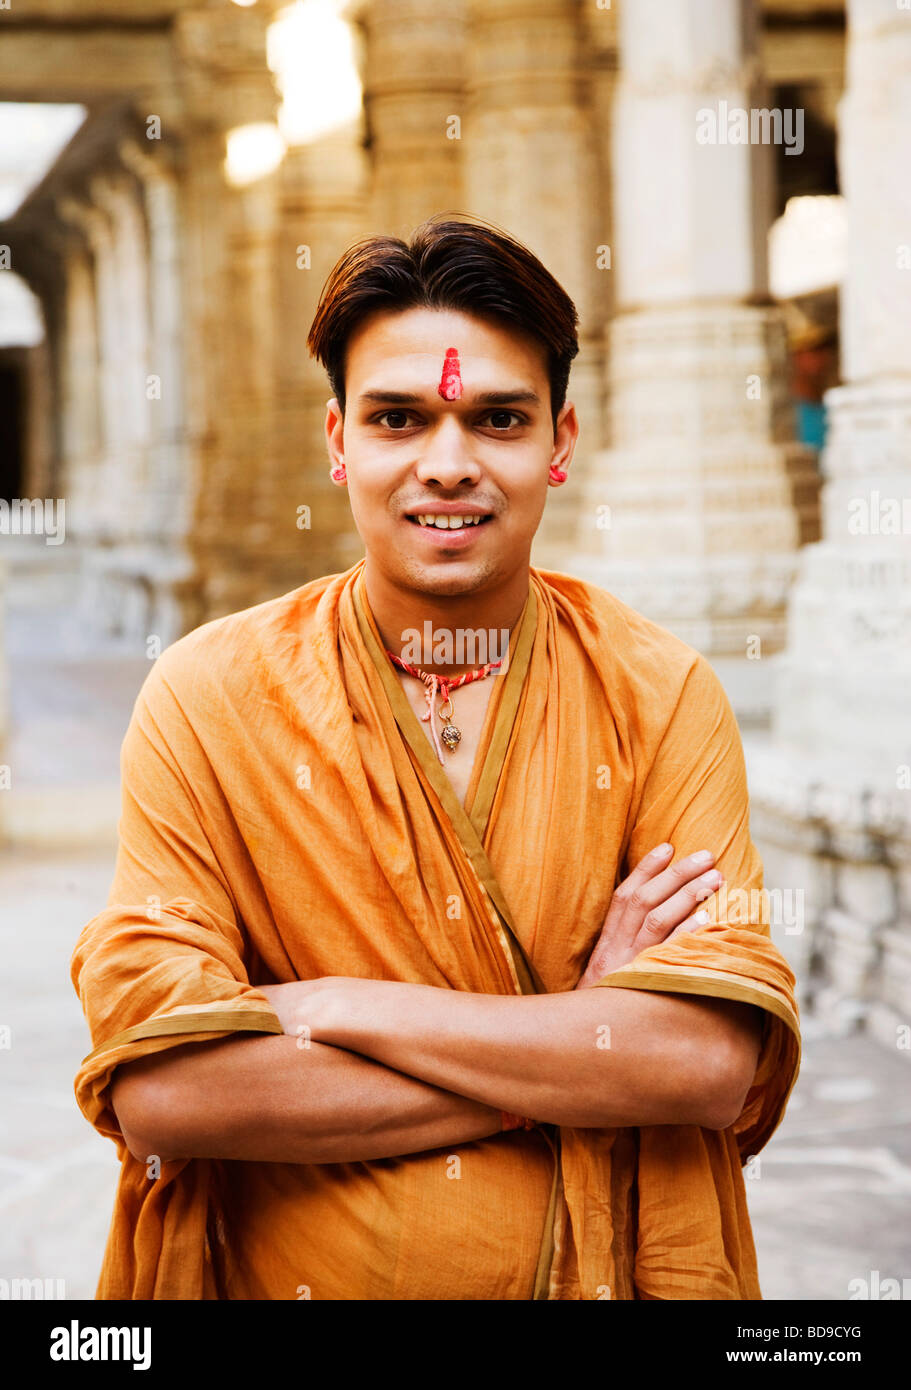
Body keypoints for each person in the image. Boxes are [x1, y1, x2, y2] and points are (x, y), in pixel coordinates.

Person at [71, 214, 800, 1300]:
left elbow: (698, 1064)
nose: (446, 464)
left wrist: (331, 1005)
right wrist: (577, 1040)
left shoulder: (658, 693)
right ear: (338, 440)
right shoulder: (208, 696)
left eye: (496, 418)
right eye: (398, 418)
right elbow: (171, 1094)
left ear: (559, 440)